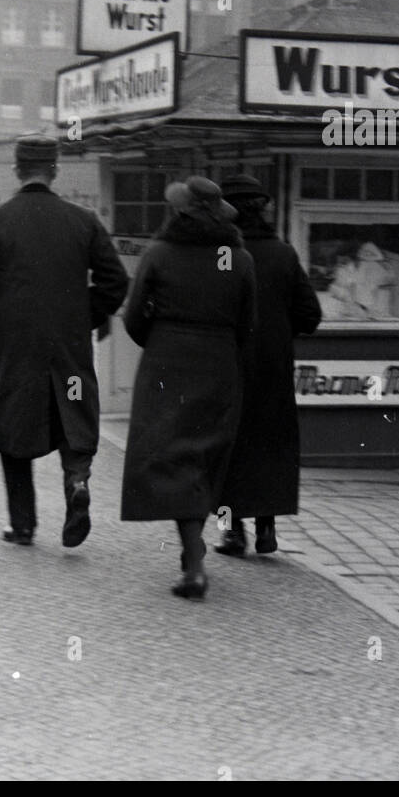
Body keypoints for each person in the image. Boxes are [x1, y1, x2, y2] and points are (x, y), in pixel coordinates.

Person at [0, 135, 128, 549]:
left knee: (13, 420)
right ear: (55, 171)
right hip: (68, 343)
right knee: (73, 409)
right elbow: (115, 280)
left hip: (14, 346)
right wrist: (83, 316)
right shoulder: (83, 219)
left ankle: (23, 523)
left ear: (17, 170)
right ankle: (77, 480)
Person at [120, 176, 255, 600]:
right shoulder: (236, 258)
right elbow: (248, 324)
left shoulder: (160, 253)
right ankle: (194, 558)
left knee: (169, 453)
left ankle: (193, 560)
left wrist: (161, 341)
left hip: (166, 360)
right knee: (203, 454)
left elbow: (133, 316)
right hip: (218, 362)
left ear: (182, 213)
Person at [214, 172, 321, 559]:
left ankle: (232, 534)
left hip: (228, 365)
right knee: (269, 445)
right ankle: (266, 528)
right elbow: (310, 314)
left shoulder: (222, 255)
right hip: (274, 367)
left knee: (226, 448)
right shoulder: (284, 253)